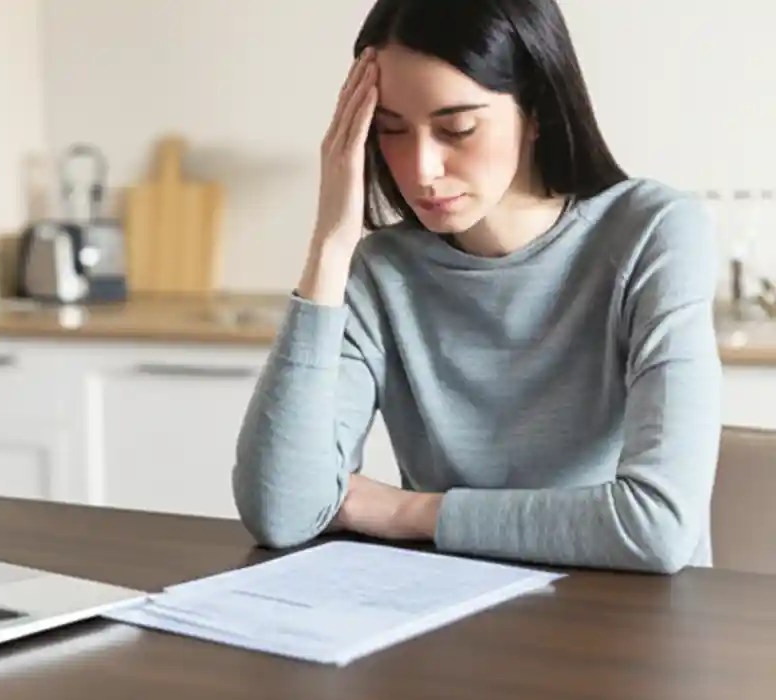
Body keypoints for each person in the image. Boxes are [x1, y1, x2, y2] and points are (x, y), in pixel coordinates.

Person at [232, 0, 721, 574]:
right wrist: (331, 243)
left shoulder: (653, 233)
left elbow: (657, 528)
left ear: (535, 110)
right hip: (452, 606)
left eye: (456, 129)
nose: (421, 170)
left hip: (625, 610)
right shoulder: (382, 271)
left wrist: (408, 512)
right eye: (391, 130)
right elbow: (283, 512)